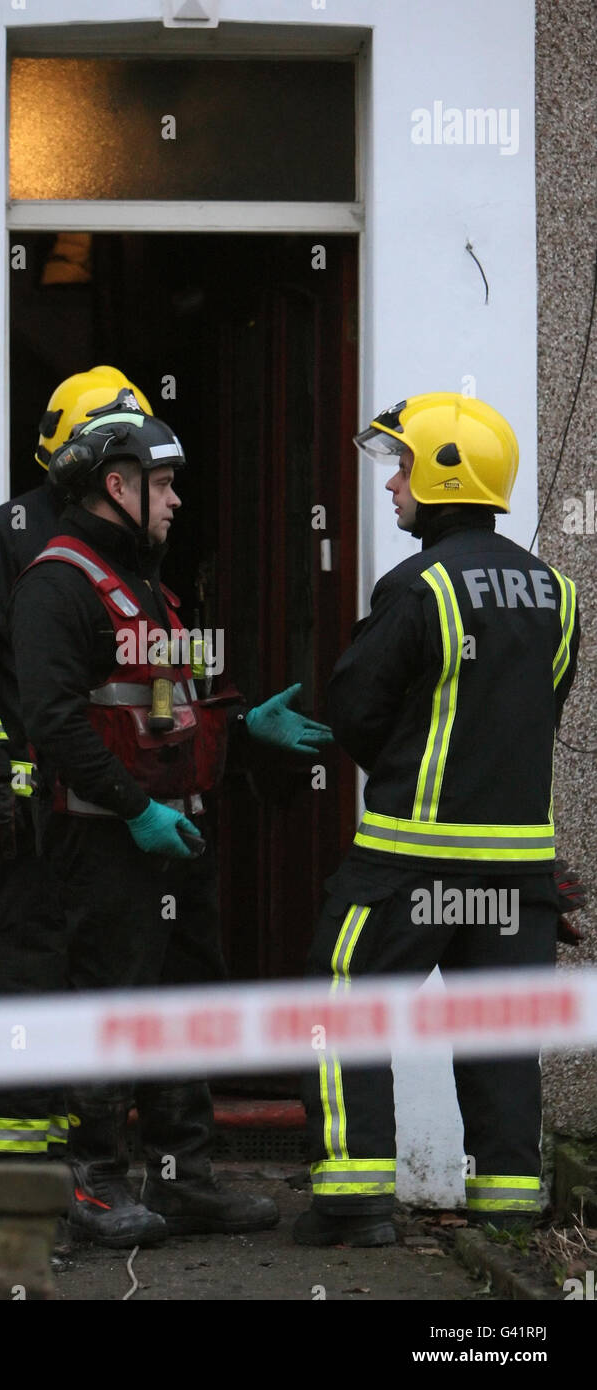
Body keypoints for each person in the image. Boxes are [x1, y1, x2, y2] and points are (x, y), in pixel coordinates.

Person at [11, 405, 333, 1246]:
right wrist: (134, 809)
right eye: (164, 484)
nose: (177, 501)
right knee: (111, 1006)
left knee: (187, 1003)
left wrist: (242, 729)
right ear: (116, 486)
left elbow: (166, 712)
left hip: (174, 839)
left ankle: (183, 1181)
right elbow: (53, 721)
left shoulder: (149, 585)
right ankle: (95, 1186)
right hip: (108, 840)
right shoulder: (59, 583)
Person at [293, 393, 579, 1248]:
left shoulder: (419, 586)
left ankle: (353, 1204)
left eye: (404, 466)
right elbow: (538, 713)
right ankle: (508, 1211)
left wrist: (400, 765)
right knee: (501, 1032)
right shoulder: (559, 593)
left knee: (340, 1003)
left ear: (448, 471)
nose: (393, 487)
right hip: (519, 874)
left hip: (409, 863)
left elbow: (355, 709)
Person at [0, 367, 152, 1165]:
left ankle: (77, 1187)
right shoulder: (7, 533)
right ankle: (14, 1196)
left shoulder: (133, 542)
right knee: (24, 988)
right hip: (21, 817)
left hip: (99, 818)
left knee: (86, 992)